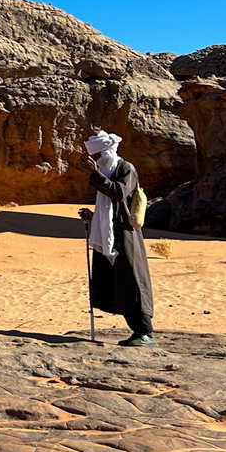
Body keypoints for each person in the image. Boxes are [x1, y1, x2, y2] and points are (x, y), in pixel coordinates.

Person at [78, 130, 156, 346]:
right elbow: (109, 207)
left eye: (97, 157)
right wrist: (93, 217)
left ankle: (146, 333)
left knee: (133, 280)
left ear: (107, 152)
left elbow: (118, 194)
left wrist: (95, 174)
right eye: (94, 158)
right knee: (117, 282)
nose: (95, 161)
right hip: (108, 234)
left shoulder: (125, 169)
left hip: (126, 236)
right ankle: (138, 332)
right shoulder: (107, 170)